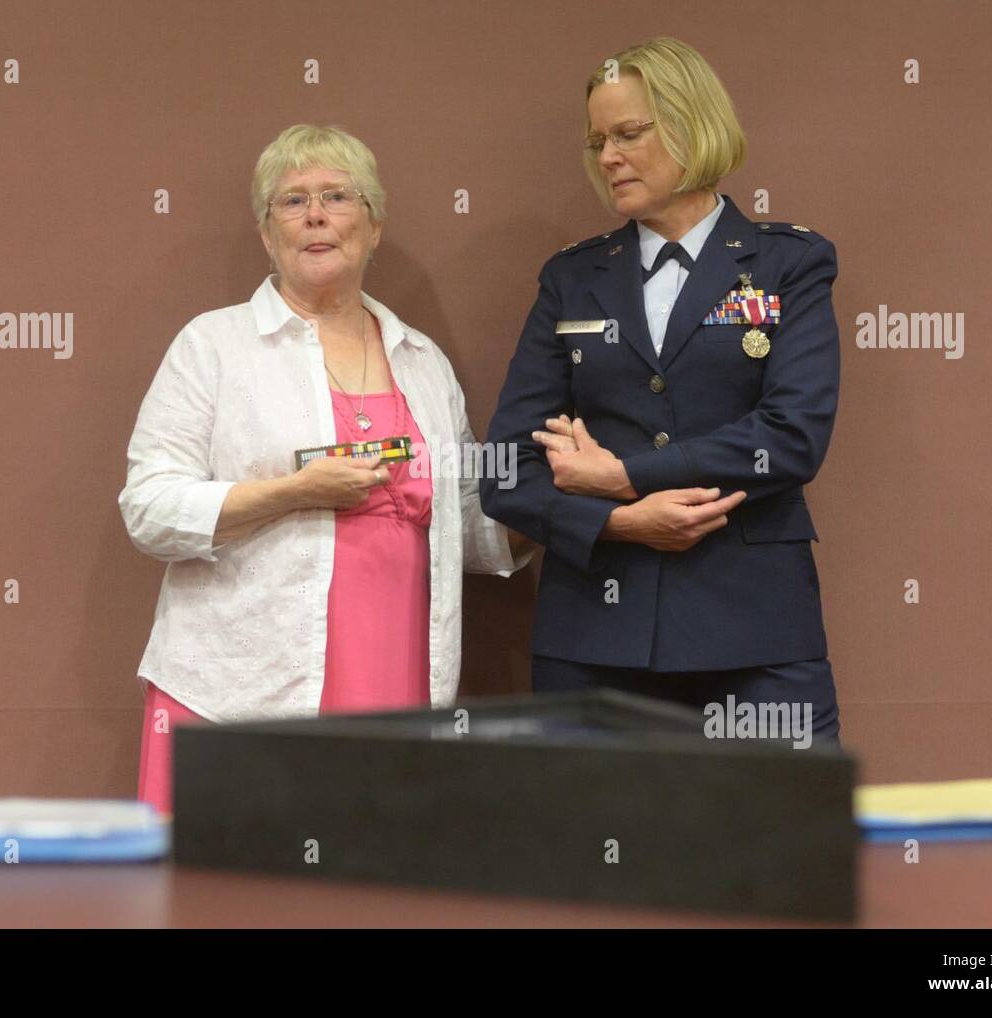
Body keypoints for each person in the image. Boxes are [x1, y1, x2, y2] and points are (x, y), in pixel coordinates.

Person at [121, 124, 532, 814]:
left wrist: (564, 501)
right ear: (266, 233)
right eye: (291, 201)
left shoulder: (422, 361)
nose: (315, 215)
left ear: (373, 226)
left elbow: (469, 530)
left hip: (396, 683)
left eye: (337, 197)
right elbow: (150, 510)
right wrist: (291, 495)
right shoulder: (213, 346)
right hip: (242, 689)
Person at [480, 37, 842, 743]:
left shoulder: (788, 262)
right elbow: (508, 473)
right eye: (597, 142)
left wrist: (622, 477)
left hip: (755, 638)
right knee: (592, 848)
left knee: (774, 847)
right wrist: (620, 522)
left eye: (628, 134)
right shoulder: (571, 278)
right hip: (594, 640)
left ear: (693, 125)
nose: (607, 157)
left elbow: (792, 436)